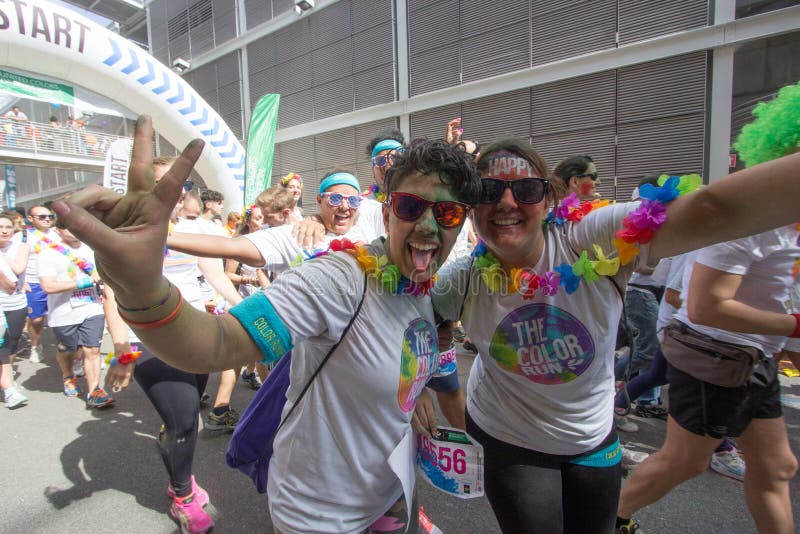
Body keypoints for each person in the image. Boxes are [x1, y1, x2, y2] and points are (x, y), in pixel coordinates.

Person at [54, 116, 481, 533]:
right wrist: (141, 288)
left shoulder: (419, 287)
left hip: (390, 495)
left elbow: (417, 343)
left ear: (459, 223)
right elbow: (216, 345)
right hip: (321, 511)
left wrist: (418, 390)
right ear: (387, 215)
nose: (427, 225)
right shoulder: (340, 279)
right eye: (411, 207)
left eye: (446, 213)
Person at [423, 136, 800, 533]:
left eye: (526, 189)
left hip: (592, 435)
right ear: (470, 205)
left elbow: (712, 209)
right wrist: (414, 391)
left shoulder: (587, 237)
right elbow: (404, 319)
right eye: (488, 190)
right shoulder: (462, 279)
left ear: (548, 199)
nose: (507, 203)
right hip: (508, 436)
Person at [38, 223, 113, 408]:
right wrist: (83, 283)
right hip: (63, 312)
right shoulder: (48, 253)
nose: (74, 230)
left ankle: (94, 391)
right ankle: (68, 375)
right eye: (67, 227)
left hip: (92, 308)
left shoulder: (93, 249)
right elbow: (48, 286)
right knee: (68, 349)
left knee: (92, 350)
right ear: (57, 229)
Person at [23, 205, 59, 363]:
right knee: (37, 320)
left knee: (60, 317)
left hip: (57, 282)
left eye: (50, 217)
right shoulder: (24, 236)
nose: (47, 219)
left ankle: (67, 348)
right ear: (30, 219)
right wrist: (21, 281)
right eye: (42, 217)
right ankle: (36, 346)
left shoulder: (58, 234)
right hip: (34, 283)